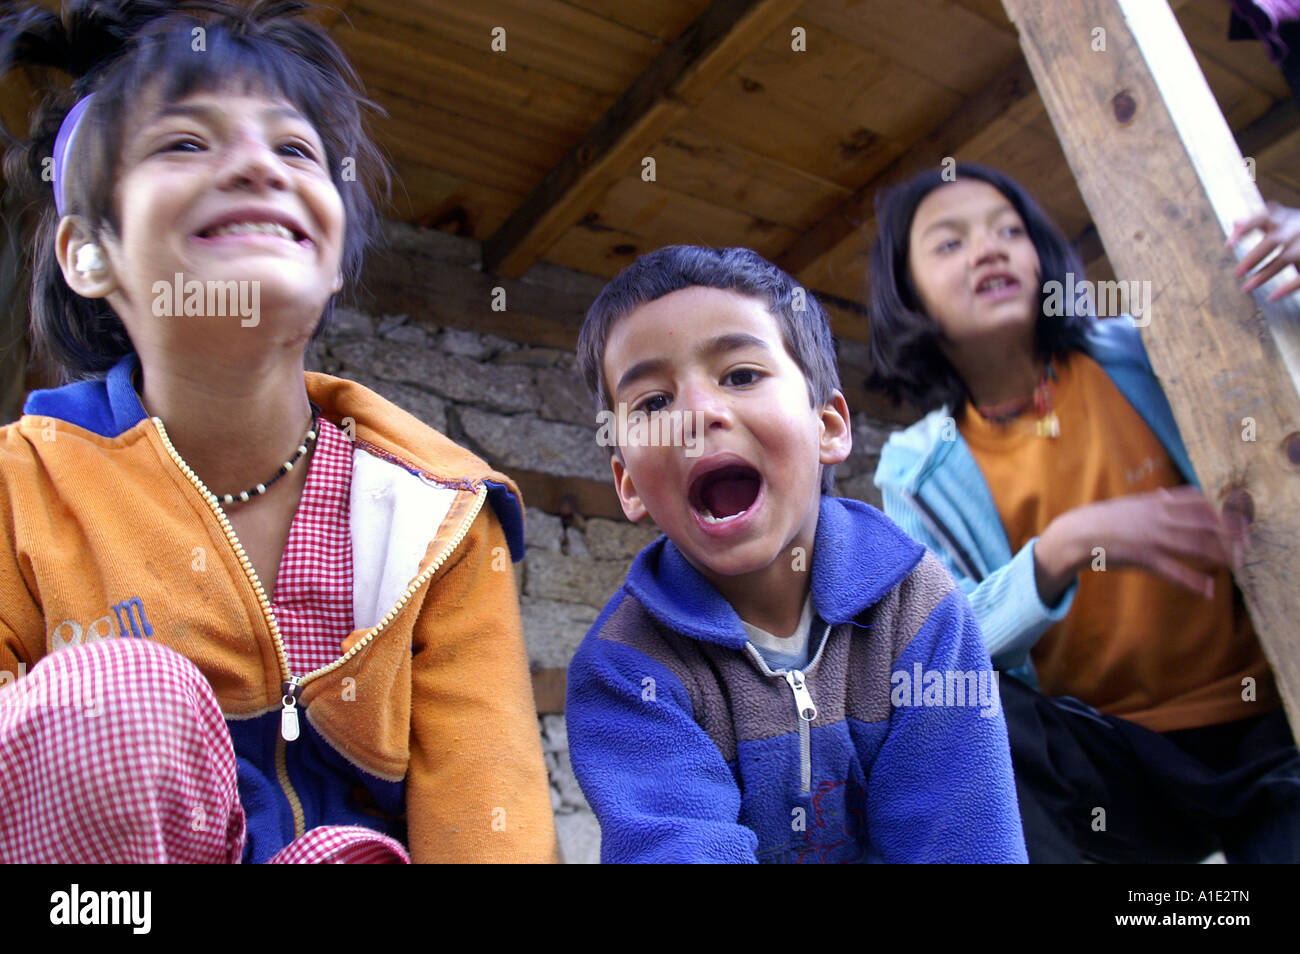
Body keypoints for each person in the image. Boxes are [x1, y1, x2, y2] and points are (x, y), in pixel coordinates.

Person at [0, 0, 555, 863]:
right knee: (116, 701)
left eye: (296, 149)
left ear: (331, 259)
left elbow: (492, 828)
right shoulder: (15, 492)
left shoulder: (439, 517)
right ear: (88, 253)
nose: (258, 166)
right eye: (186, 141)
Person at [868, 162, 1300, 862]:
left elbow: (1279, 381)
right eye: (949, 243)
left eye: (1009, 231)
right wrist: (1062, 547)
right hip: (1106, 764)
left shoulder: (1147, 352)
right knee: (941, 698)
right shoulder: (915, 470)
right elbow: (936, 639)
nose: (989, 249)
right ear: (907, 291)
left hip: (1268, 729)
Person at [564, 245, 1027, 863]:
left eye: (741, 375)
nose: (698, 414)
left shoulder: (918, 608)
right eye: (653, 403)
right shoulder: (624, 665)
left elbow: (964, 841)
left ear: (828, 428)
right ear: (627, 484)